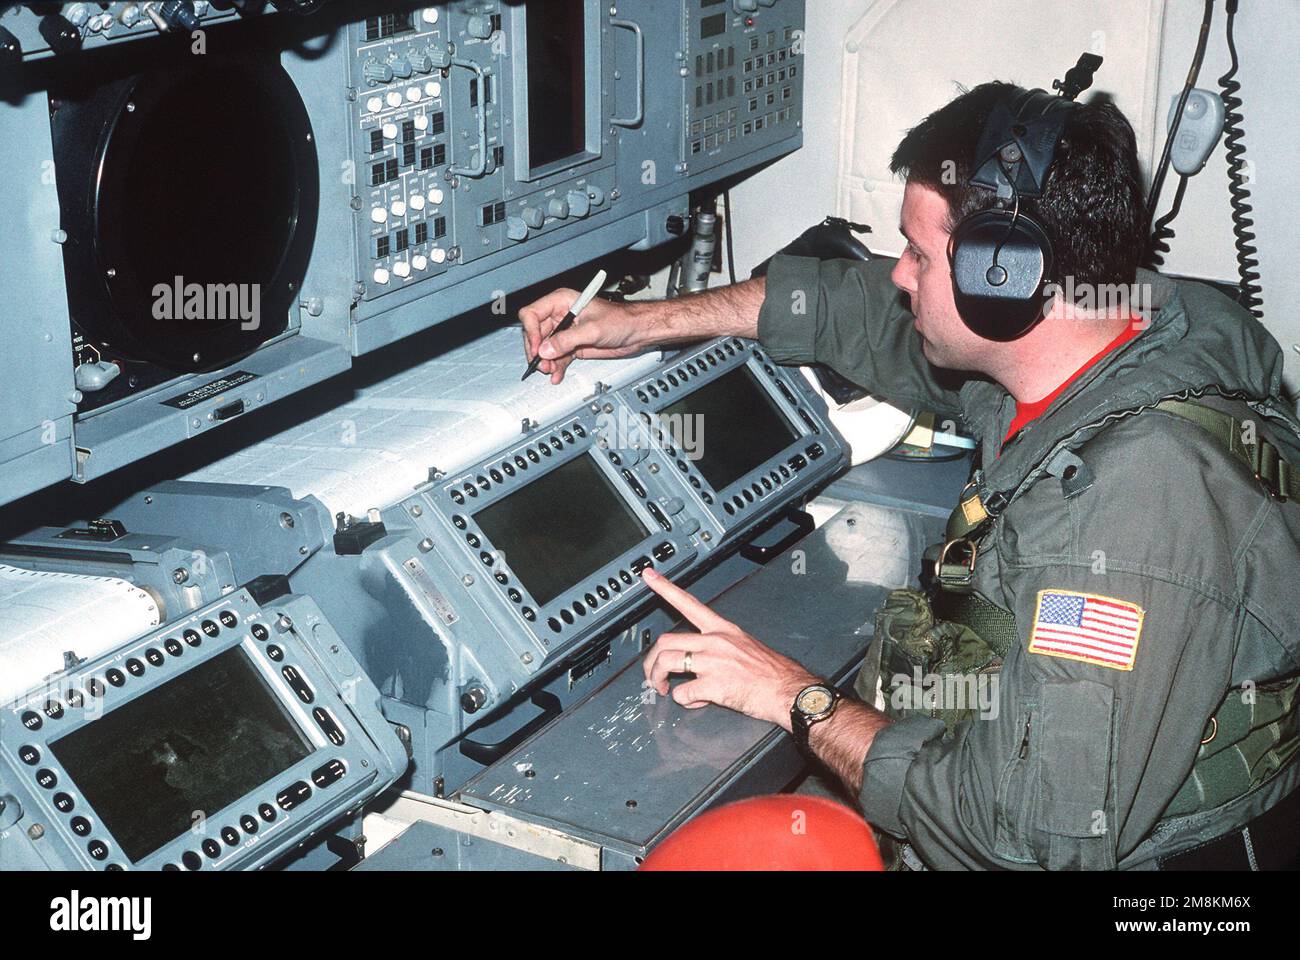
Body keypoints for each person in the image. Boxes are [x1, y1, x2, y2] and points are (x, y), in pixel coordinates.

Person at [518, 82, 1300, 870]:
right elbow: (851, 308)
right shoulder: (1149, 327)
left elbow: (1026, 838)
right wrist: (639, 321)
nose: (900, 275)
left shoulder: (1129, 510)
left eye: (921, 255)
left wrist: (796, 695)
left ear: (1010, 276)